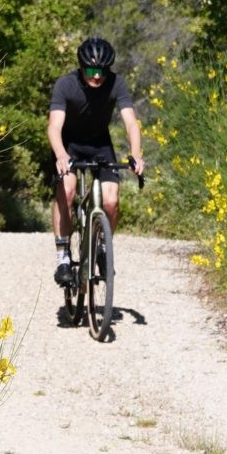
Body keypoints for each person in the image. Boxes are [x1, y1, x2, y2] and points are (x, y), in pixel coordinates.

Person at [48, 37, 146, 286]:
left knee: (111, 200)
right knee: (67, 191)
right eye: (91, 71)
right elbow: (54, 126)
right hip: (69, 145)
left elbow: (131, 123)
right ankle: (62, 257)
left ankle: (102, 246)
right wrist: (60, 154)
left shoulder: (117, 84)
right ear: (81, 67)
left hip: (100, 144)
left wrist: (136, 154)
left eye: (102, 71)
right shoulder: (65, 85)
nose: (97, 77)